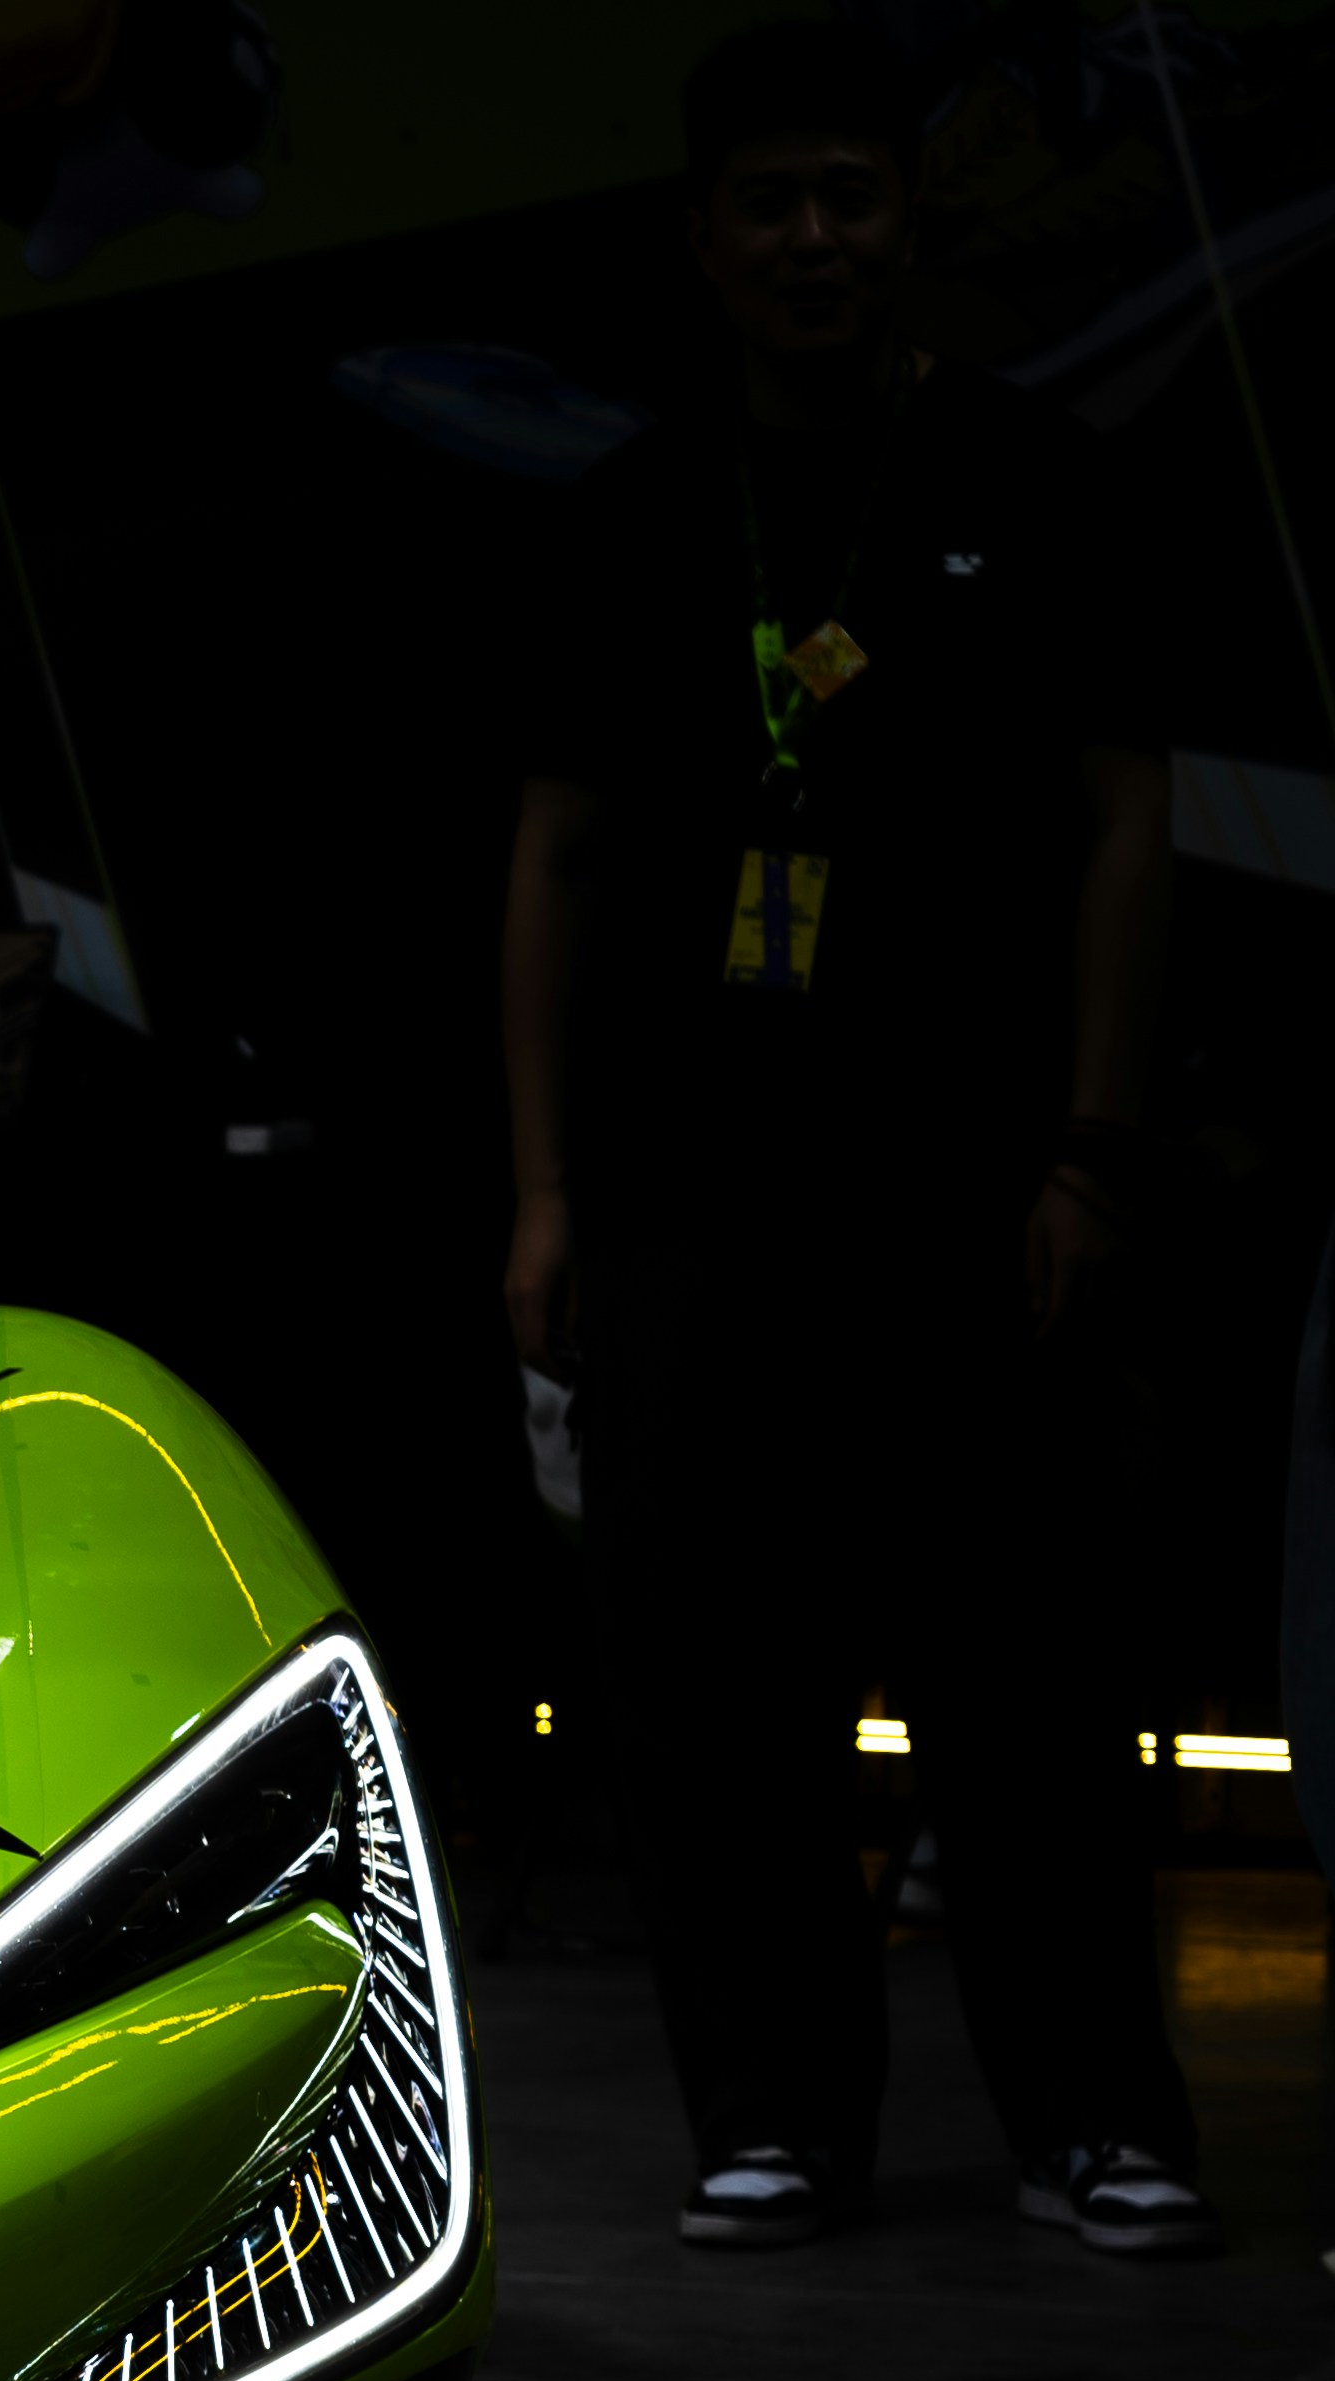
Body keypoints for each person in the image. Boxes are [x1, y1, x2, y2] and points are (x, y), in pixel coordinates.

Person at [496, 21, 1202, 2258]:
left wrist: (1090, 1144)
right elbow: (557, 869)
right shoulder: (627, 515)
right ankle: (774, 2114)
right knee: (716, 1691)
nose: (816, 235)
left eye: (853, 197)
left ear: (907, 224)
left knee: (1029, 1684)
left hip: (976, 1188)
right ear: (706, 241)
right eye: (774, 201)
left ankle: (1094, 2116)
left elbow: (1121, 828)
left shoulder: (1032, 482)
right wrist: (539, 1196)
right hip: (698, 1204)